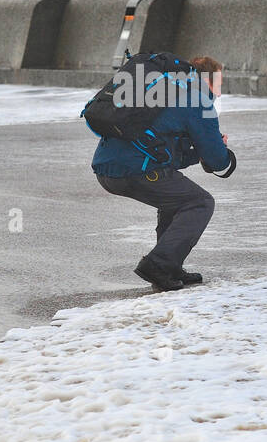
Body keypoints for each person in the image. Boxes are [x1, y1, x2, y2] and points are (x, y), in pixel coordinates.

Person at [92, 55, 236, 291]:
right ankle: (158, 264)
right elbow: (217, 161)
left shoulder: (164, 93)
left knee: (175, 199)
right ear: (207, 80)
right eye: (218, 84)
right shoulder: (198, 101)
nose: (219, 93)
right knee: (200, 202)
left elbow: (165, 152)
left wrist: (195, 154)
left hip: (108, 170)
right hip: (134, 170)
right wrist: (224, 153)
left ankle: (169, 266)